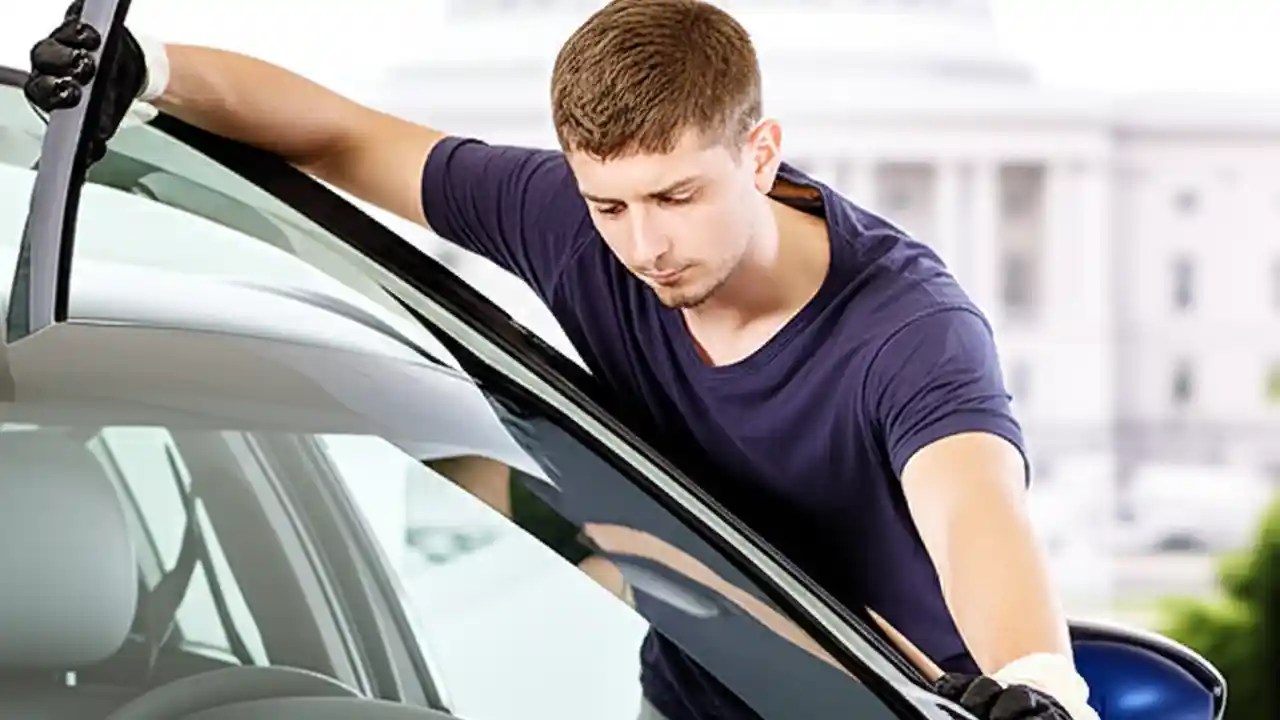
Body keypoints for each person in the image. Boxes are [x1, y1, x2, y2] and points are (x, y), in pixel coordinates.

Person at [25, 1, 1099, 718]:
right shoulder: (568, 223)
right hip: (683, 701)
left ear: (759, 153)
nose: (644, 247)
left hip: (875, 702)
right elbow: (336, 135)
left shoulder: (906, 330)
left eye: (678, 197)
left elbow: (974, 513)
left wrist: (1037, 681)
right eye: (611, 205)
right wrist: (149, 67)